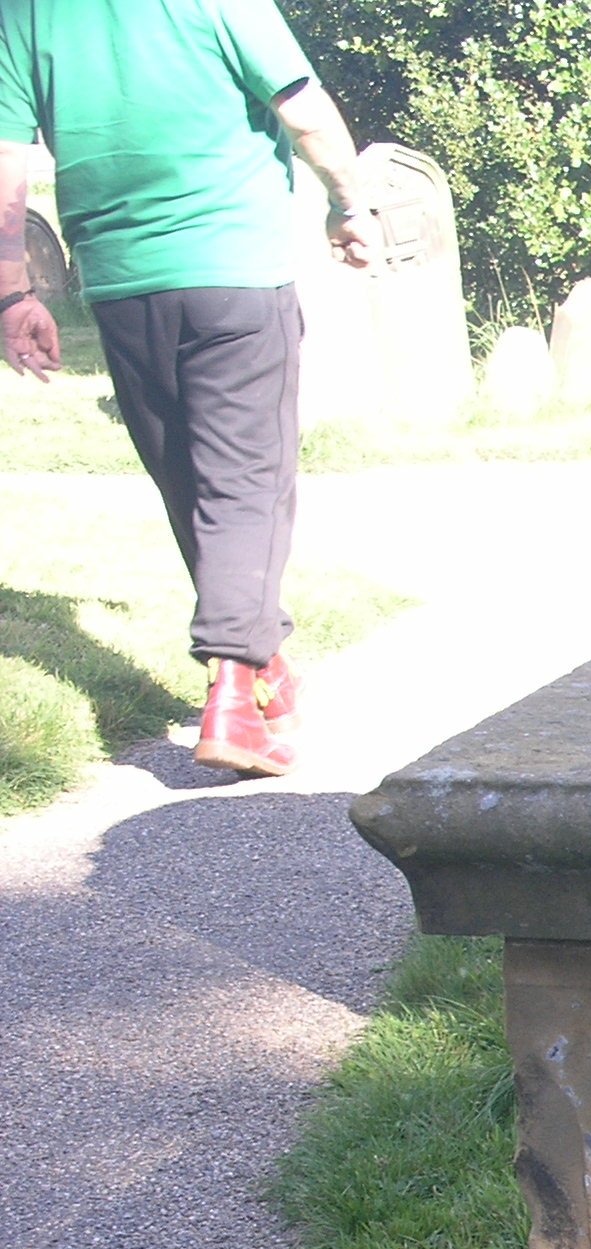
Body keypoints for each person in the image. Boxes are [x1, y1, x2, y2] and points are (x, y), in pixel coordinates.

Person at [0, 0, 377, 778]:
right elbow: (305, 112)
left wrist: (12, 291)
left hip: (120, 284)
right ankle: (233, 695)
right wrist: (350, 207)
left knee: (190, 479)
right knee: (246, 483)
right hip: (234, 265)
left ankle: (266, 663)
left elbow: (5, 160)